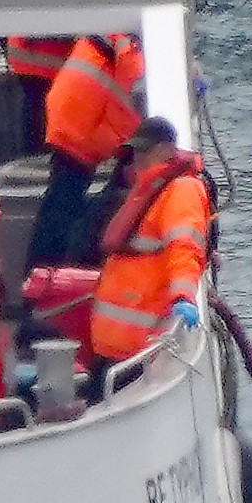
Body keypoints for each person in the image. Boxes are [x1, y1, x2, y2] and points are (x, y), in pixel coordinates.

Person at [88, 118, 211, 369]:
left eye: (145, 150)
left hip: (141, 349)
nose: (138, 157)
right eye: (136, 150)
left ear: (166, 150)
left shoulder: (181, 190)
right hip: (115, 346)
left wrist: (183, 297)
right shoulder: (149, 188)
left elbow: (185, 248)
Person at [28, 32, 144, 268]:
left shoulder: (121, 35)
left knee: (61, 203)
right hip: (80, 123)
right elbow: (133, 96)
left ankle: (42, 274)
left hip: (72, 113)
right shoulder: (133, 49)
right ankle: (44, 275)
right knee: (64, 207)